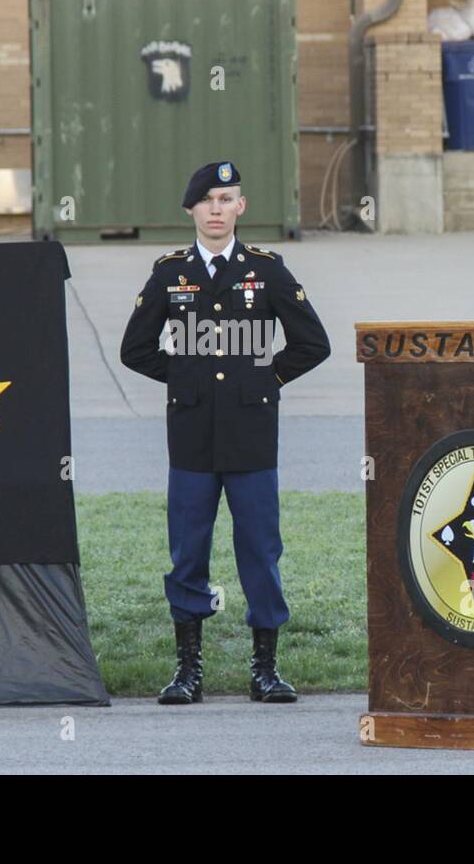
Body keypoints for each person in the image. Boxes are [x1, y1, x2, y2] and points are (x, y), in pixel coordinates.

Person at [120, 161, 330, 705]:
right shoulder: (170, 272)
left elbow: (313, 343)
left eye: (226, 198)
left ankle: (266, 669)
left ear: (241, 207)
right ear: (191, 209)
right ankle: (188, 670)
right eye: (207, 199)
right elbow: (135, 349)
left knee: (260, 550)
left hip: (251, 433)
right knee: (188, 551)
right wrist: (186, 375)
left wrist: (265, 374)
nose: (216, 209)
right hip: (190, 436)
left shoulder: (268, 270)